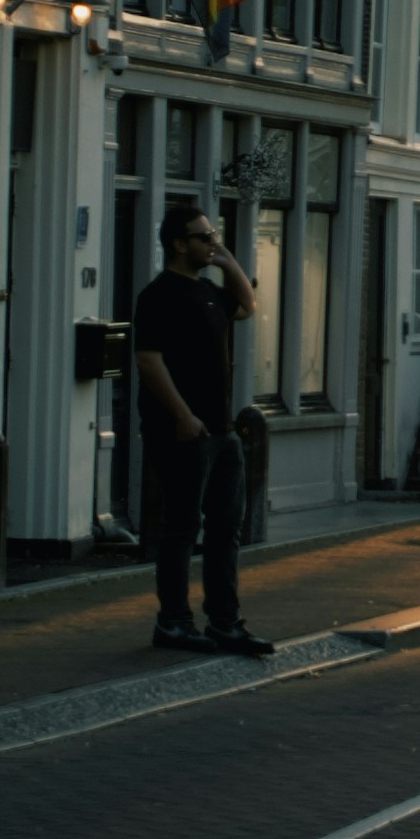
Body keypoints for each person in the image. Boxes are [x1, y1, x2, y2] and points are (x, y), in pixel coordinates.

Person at [132, 203, 273, 659]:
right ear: (178, 243)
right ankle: (173, 622)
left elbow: (248, 307)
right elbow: (148, 359)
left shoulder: (210, 293)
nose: (211, 241)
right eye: (203, 236)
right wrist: (181, 415)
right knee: (181, 527)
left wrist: (228, 260)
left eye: (213, 234)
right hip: (184, 432)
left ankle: (224, 622)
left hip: (223, 430)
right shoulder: (158, 295)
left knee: (226, 528)